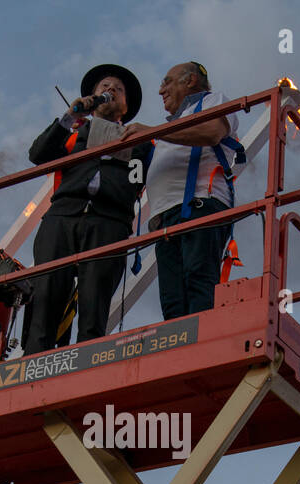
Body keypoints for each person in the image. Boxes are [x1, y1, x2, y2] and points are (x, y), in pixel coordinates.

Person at [21, 65, 152, 355]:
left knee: (95, 300)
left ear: (126, 105)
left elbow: (139, 179)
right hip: (63, 215)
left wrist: (124, 152)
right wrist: (71, 116)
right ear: (92, 97)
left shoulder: (142, 141)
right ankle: (33, 363)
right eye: (104, 87)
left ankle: (87, 362)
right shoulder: (73, 132)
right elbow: (38, 155)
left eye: (119, 89)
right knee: (46, 293)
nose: (111, 91)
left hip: (109, 220)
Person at [121, 62, 242, 321]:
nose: (160, 90)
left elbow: (212, 133)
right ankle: (179, 350)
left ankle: (200, 348)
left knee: (198, 281)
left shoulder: (212, 101)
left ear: (190, 81)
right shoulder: (169, 132)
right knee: (172, 298)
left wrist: (154, 133)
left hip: (199, 207)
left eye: (167, 82)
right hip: (167, 220)